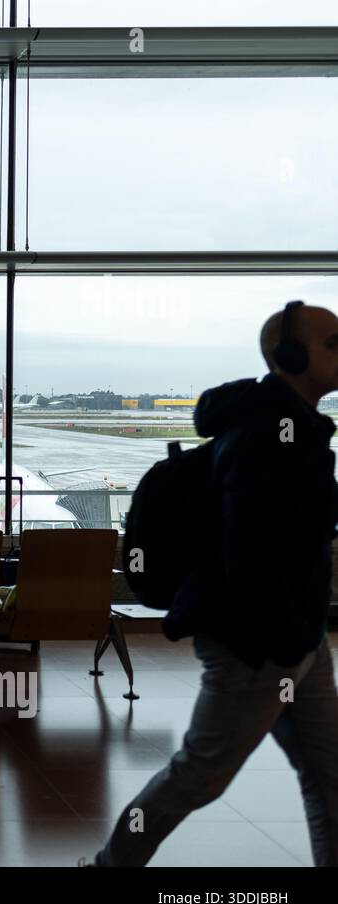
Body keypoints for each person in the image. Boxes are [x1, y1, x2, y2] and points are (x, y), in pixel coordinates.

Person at [90, 302, 338, 867]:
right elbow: (249, 549)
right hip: (259, 644)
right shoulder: (267, 436)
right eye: (332, 342)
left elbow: (296, 523)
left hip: (299, 638)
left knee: (330, 778)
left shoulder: (295, 429)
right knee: (200, 774)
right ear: (292, 356)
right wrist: (271, 639)